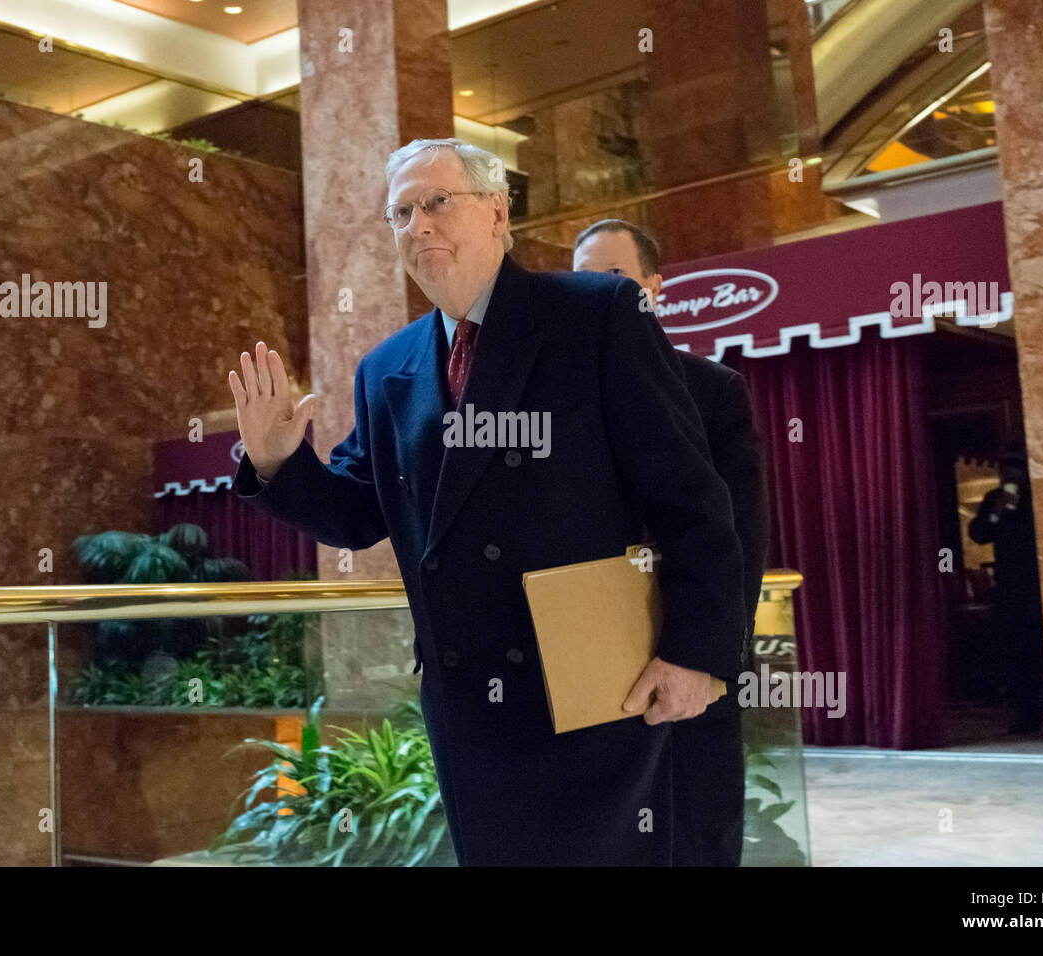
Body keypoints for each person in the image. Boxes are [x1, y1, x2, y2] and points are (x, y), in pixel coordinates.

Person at [227, 138, 746, 865]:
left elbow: (691, 498)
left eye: (437, 202)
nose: (418, 225)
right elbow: (356, 511)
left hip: (596, 687)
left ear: (499, 212)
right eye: (400, 212)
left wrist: (697, 653)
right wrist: (278, 460)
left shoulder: (592, 315)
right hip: (469, 705)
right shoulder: (388, 369)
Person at [574, 218, 769, 866]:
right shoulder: (553, 404)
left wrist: (706, 662)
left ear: (653, 289)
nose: (593, 292)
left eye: (612, 277)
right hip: (585, 663)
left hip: (688, 655)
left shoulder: (711, 390)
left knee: (697, 832)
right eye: (581, 280)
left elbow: (741, 530)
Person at [967, 445, 1043, 734]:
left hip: (1041, 587)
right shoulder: (994, 499)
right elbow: (979, 534)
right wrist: (997, 513)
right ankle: (1025, 716)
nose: (1009, 475)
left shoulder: (1041, 495)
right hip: (1010, 590)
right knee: (1018, 656)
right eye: (1005, 470)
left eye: (1015, 469)